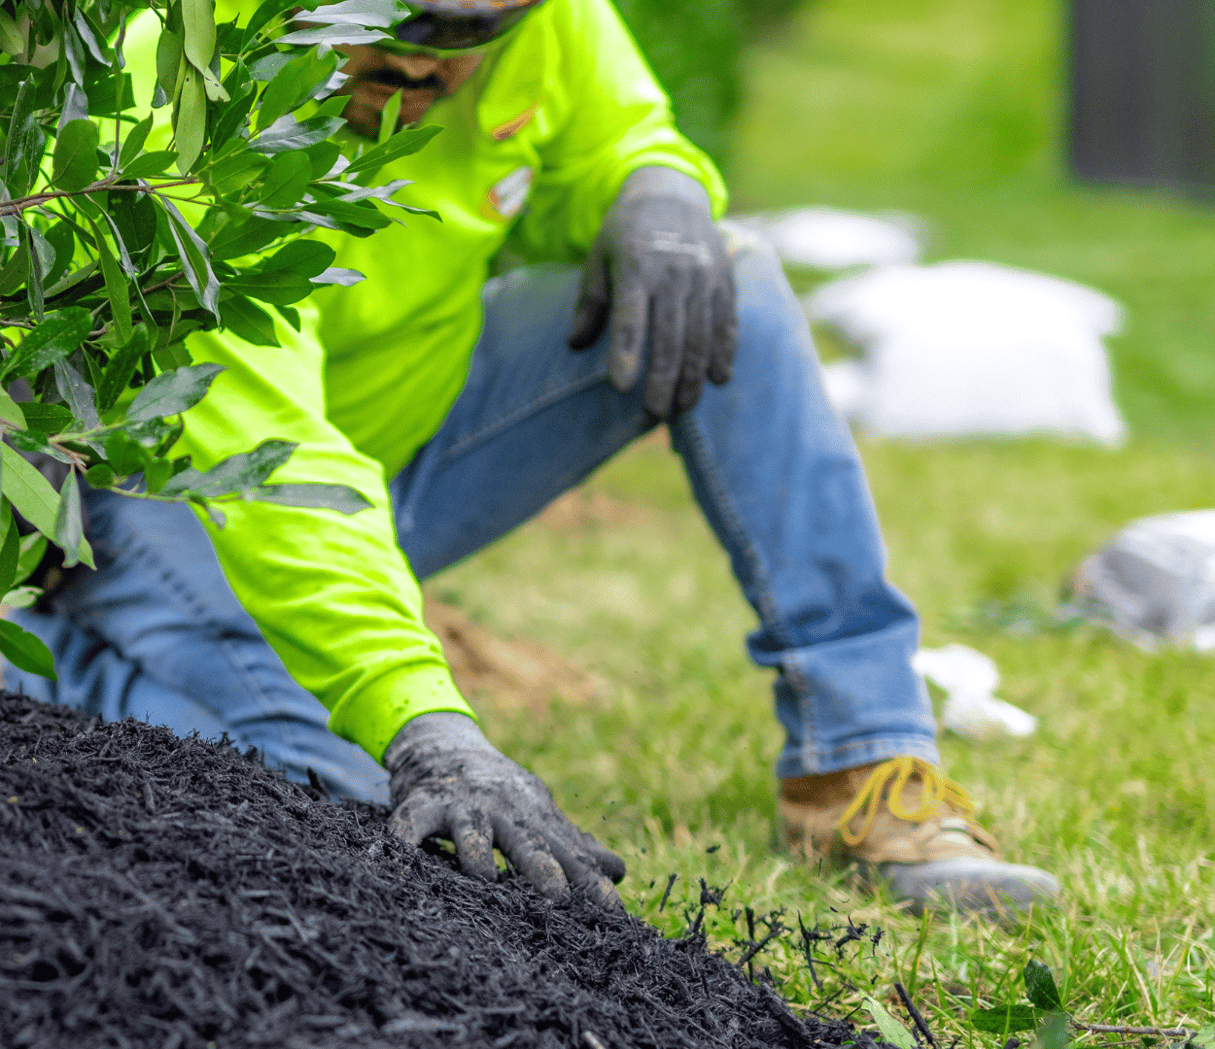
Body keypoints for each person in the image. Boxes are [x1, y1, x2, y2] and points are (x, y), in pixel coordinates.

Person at [7, 0, 1058, 913]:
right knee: (347, 790)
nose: (427, 65)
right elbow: (271, 459)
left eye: (471, 35)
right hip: (189, 498)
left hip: (406, 457)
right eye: (399, 23)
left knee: (718, 274)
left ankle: (862, 760)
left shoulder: (542, 25)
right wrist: (424, 720)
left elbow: (622, 137)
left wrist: (657, 189)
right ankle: (58, 664)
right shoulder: (173, 93)